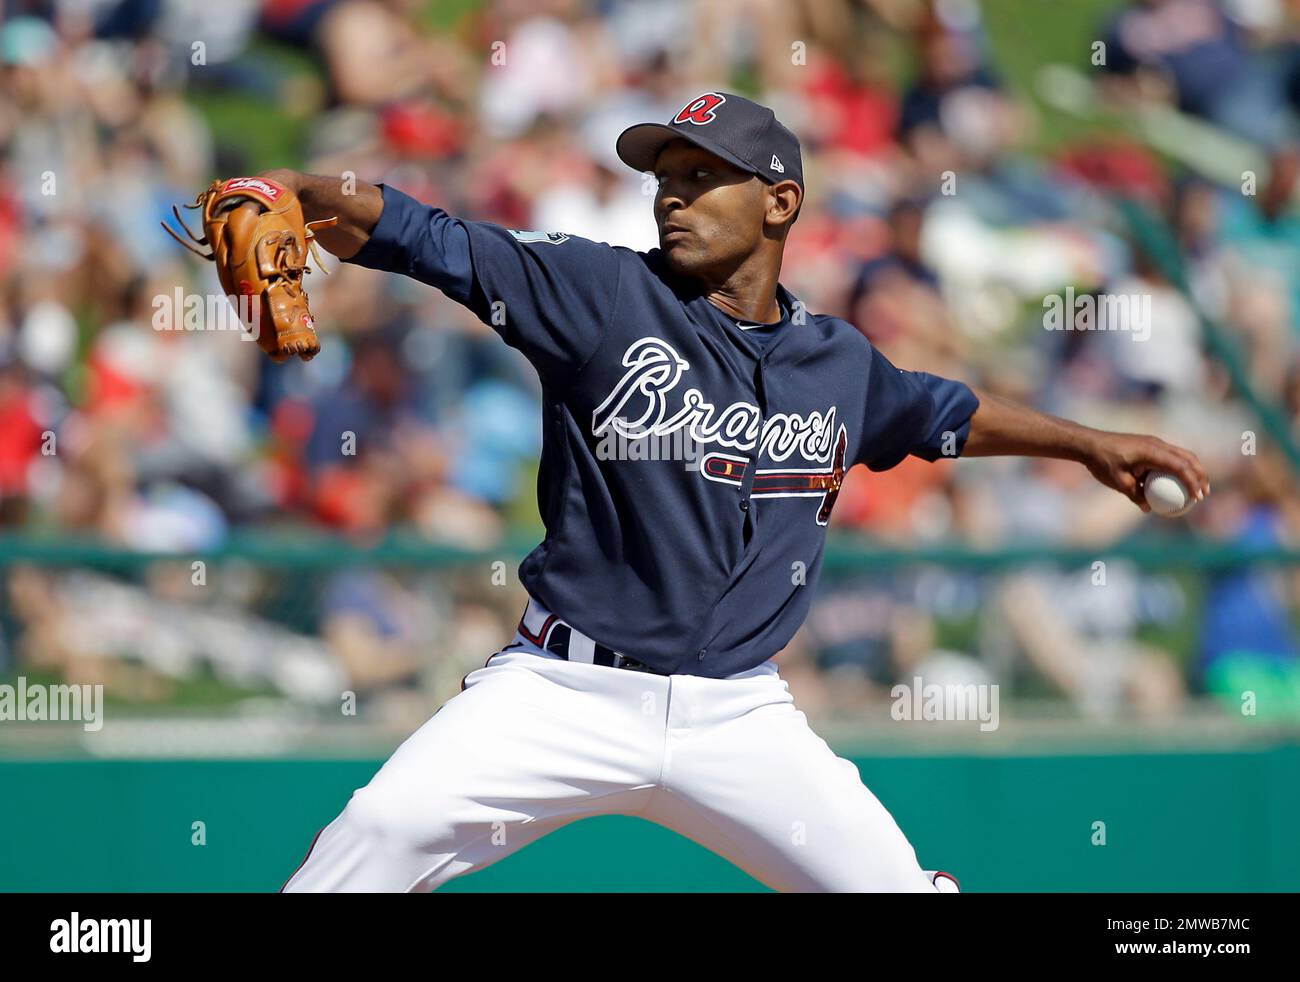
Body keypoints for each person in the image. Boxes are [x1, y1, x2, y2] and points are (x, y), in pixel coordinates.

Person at [272, 92, 1208, 892]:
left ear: (780, 202)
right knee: (377, 838)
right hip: (562, 692)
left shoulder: (836, 362)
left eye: (700, 176)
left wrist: (1088, 444)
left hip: (739, 715)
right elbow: (431, 238)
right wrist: (305, 193)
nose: (671, 195)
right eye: (664, 178)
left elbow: (943, 413)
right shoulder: (599, 291)